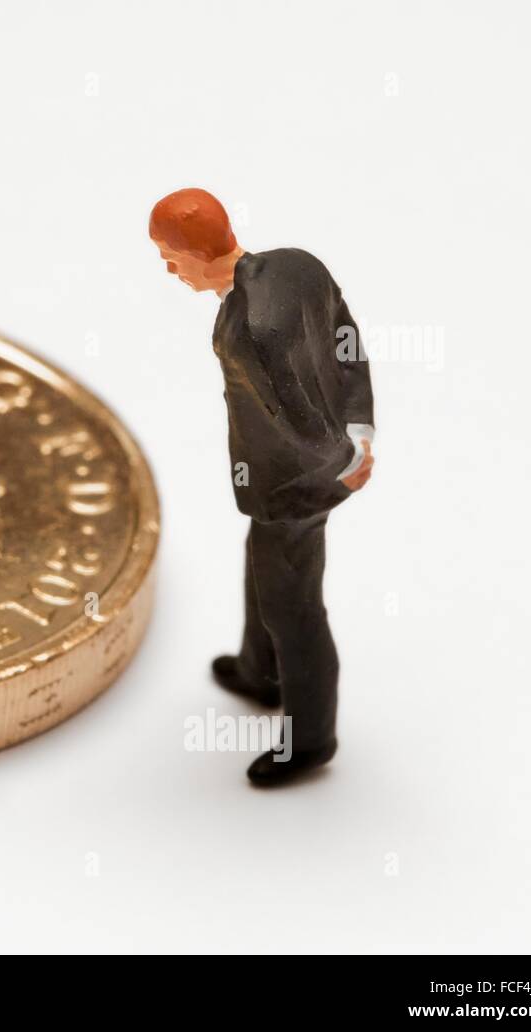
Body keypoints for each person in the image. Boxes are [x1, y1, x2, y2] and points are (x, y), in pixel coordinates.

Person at [148, 187, 375, 785]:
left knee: (295, 609)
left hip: (296, 487)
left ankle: (311, 739)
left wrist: (345, 453)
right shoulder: (299, 263)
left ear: (197, 252)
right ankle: (258, 671)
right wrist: (360, 426)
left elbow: (301, 424)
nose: (168, 270)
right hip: (297, 477)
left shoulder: (248, 329)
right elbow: (346, 340)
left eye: (169, 256)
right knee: (263, 571)